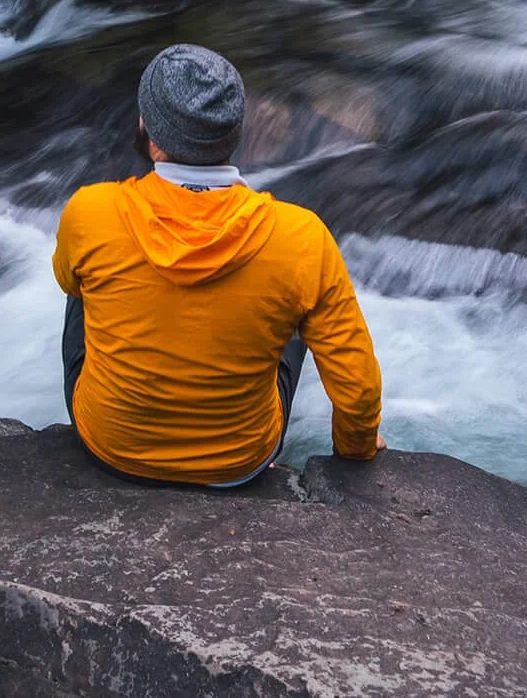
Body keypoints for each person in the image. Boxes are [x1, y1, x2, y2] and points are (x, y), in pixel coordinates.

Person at [52, 43, 383, 486]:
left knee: (82, 284)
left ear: (146, 127)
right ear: (235, 134)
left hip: (111, 447)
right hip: (239, 462)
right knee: (297, 301)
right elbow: (357, 385)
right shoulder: (300, 235)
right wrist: (356, 448)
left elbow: (64, 279)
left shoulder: (90, 210)